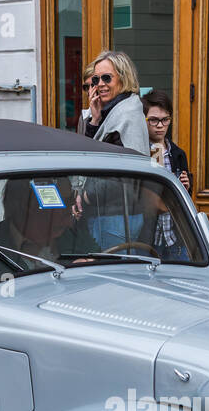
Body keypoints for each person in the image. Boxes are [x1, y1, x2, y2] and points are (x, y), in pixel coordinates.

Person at [0, 177, 98, 282]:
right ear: (22, 207)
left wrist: (89, 266)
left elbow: (103, 261)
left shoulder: (73, 237)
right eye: (58, 204)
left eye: (70, 201)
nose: (68, 219)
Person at [140, 90, 191, 261]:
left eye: (165, 119)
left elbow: (186, 200)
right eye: (153, 120)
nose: (160, 125)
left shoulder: (178, 154)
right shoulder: (141, 153)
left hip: (175, 237)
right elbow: (151, 201)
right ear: (144, 120)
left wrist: (185, 189)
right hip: (148, 239)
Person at [81, 50, 147, 155]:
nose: (100, 84)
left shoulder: (128, 113)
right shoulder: (110, 109)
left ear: (123, 78)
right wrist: (95, 120)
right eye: (96, 79)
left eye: (106, 78)